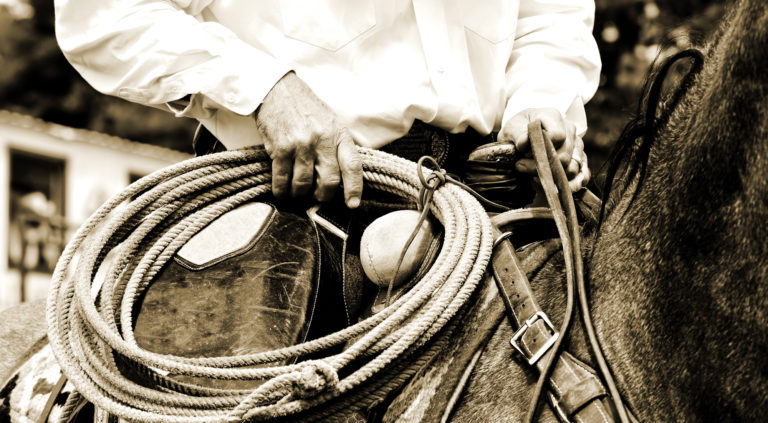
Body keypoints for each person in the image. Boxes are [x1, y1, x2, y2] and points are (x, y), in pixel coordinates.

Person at [54, 0, 601, 209]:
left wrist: (540, 101)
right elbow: (105, 14)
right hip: (297, 198)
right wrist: (268, 90)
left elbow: (549, 19)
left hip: (496, 197)